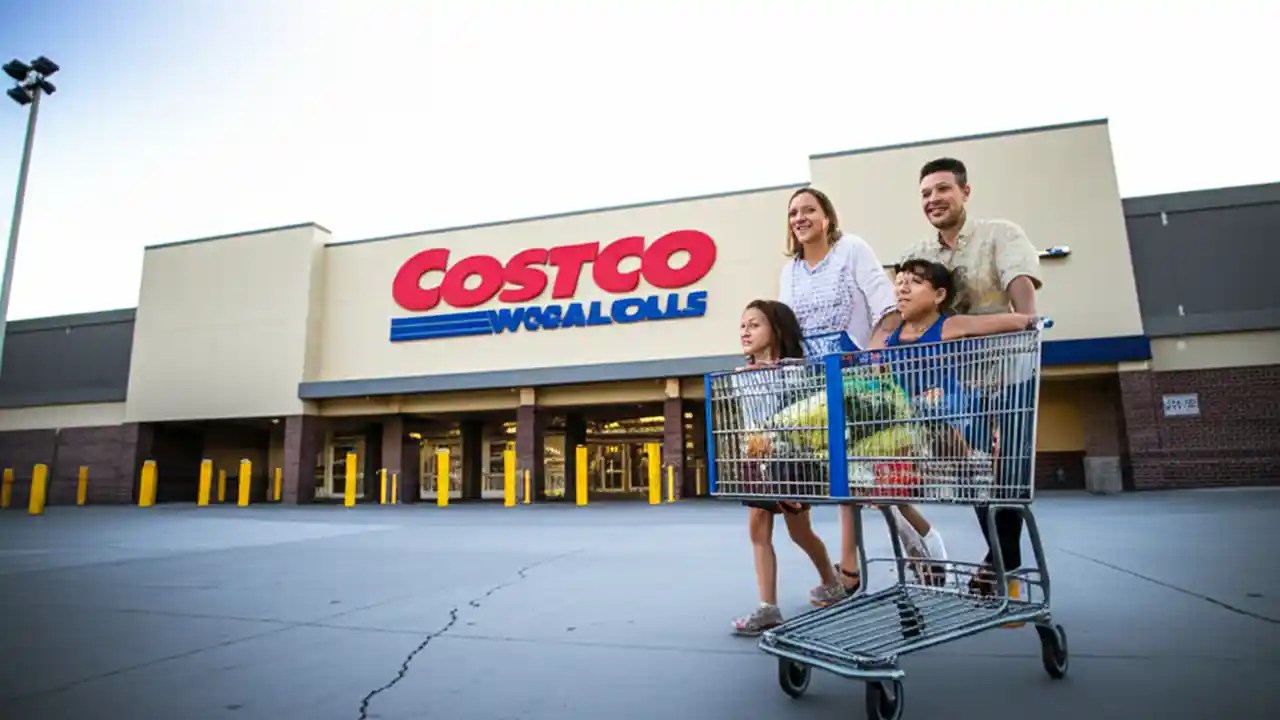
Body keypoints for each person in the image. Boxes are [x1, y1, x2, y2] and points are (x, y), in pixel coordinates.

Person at [776, 186, 945, 595]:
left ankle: (853, 571)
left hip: (860, 378)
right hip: (813, 385)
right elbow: (788, 329)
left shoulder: (852, 249)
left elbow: (887, 309)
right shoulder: (791, 271)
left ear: (828, 217)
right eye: (794, 212)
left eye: (809, 210)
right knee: (854, 479)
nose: (801, 218)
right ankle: (920, 543)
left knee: (858, 475)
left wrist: (869, 357)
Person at [897, 157, 1044, 594]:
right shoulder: (919, 254)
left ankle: (1004, 564)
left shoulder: (1001, 234)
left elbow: (1021, 285)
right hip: (961, 383)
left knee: (1011, 473)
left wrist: (1027, 319)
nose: (934, 199)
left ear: (965, 191)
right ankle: (1003, 562)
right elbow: (905, 308)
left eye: (943, 189)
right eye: (926, 193)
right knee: (977, 474)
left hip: (1011, 369)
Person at [731, 299, 846, 636]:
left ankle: (831, 581)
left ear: (776, 330)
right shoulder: (740, 376)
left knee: (799, 530)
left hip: (789, 460)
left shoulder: (797, 371)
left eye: (754, 324)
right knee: (758, 529)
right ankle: (768, 607)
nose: (746, 331)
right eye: (742, 325)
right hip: (756, 458)